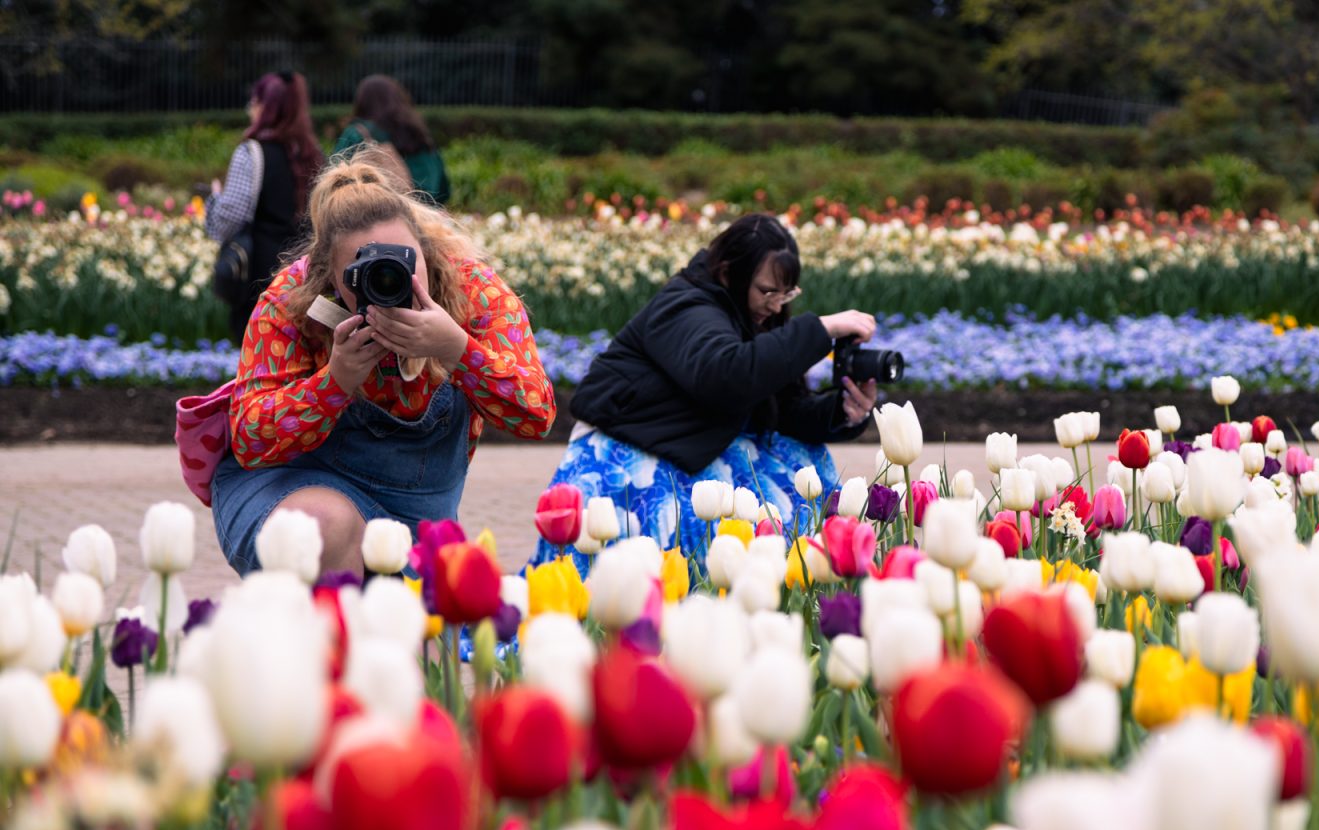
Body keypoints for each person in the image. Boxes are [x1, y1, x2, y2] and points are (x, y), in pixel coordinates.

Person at [211, 155, 556, 577]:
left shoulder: (475, 293)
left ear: (427, 251)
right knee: (325, 527)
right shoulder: (294, 299)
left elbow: (536, 414)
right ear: (331, 278)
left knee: (416, 631)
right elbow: (248, 438)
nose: (392, 282)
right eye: (364, 273)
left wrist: (457, 349)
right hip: (295, 490)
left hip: (415, 516)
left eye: (405, 263)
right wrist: (335, 382)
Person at [535, 213, 880, 566]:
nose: (777, 305)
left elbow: (781, 411)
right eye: (767, 291)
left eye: (787, 293)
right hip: (628, 448)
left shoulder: (755, 313)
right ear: (729, 273)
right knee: (687, 546)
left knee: (798, 504)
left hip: (694, 445)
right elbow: (727, 377)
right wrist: (820, 330)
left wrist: (843, 411)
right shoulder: (686, 307)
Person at [206, 71, 324, 342]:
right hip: (305, 276)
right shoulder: (314, 155)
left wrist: (214, 201)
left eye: (253, 102)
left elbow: (229, 219)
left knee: (258, 355)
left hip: (260, 279)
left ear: (264, 106)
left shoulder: (252, 152)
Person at [333, 75, 450, 207]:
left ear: (361, 102)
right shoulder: (418, 132)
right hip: (425, 218)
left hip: (376, 217)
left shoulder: (357, 134)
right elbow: (443, 191)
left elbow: (332, 181)